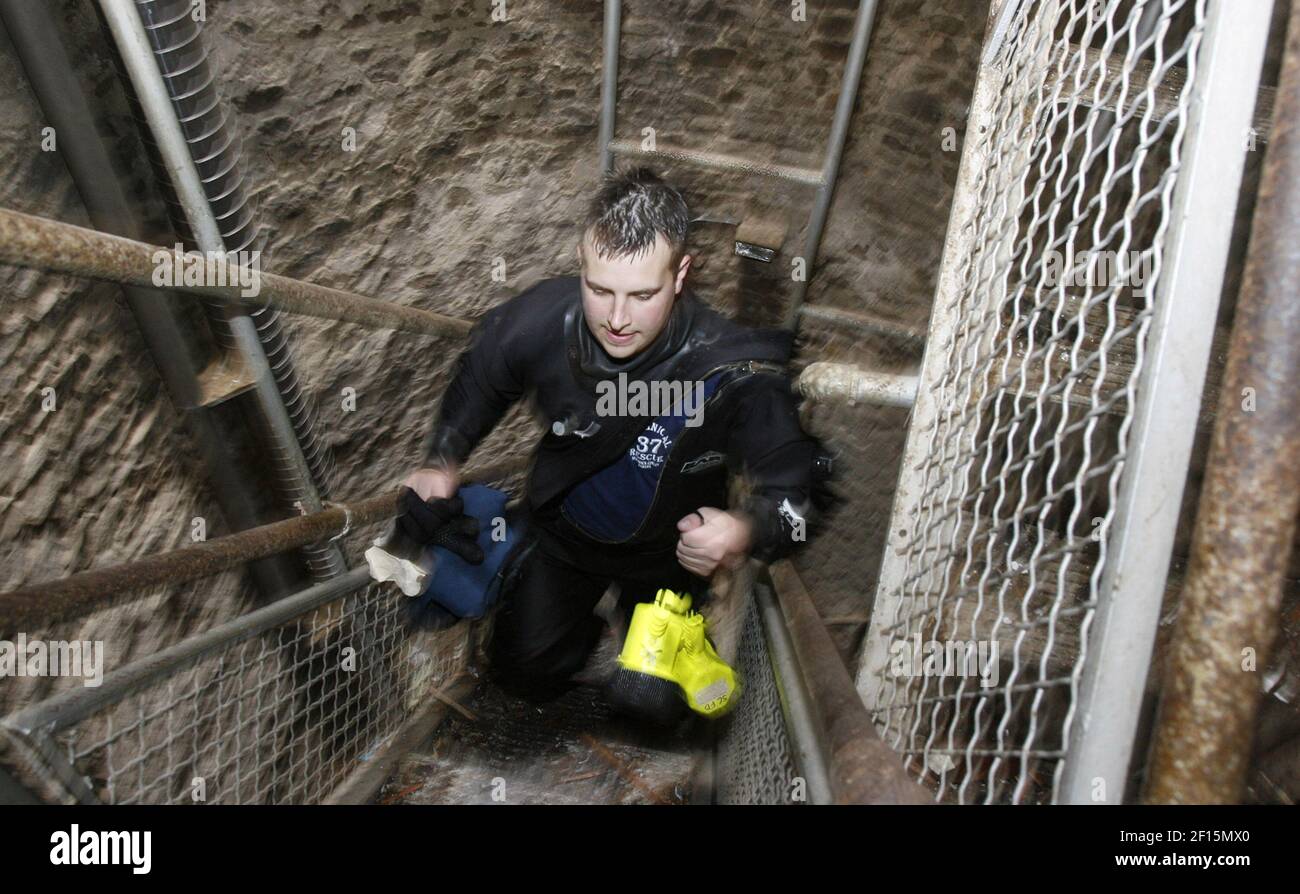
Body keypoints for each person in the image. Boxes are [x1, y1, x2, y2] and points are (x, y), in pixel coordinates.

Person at [401, 166, 820, 703]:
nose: (618, 319)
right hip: (566, 534)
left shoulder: (730, 365)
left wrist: (742, 527)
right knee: (521, 674)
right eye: (600, 289)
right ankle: (579, 622)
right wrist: (443, 459)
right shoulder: (544, 319)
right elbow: (485, 371)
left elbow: (802, 494)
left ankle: (647, 642)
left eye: (643, 295)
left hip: (668, 556)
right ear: (580, 264)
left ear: (680, 274)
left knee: (655, 704)